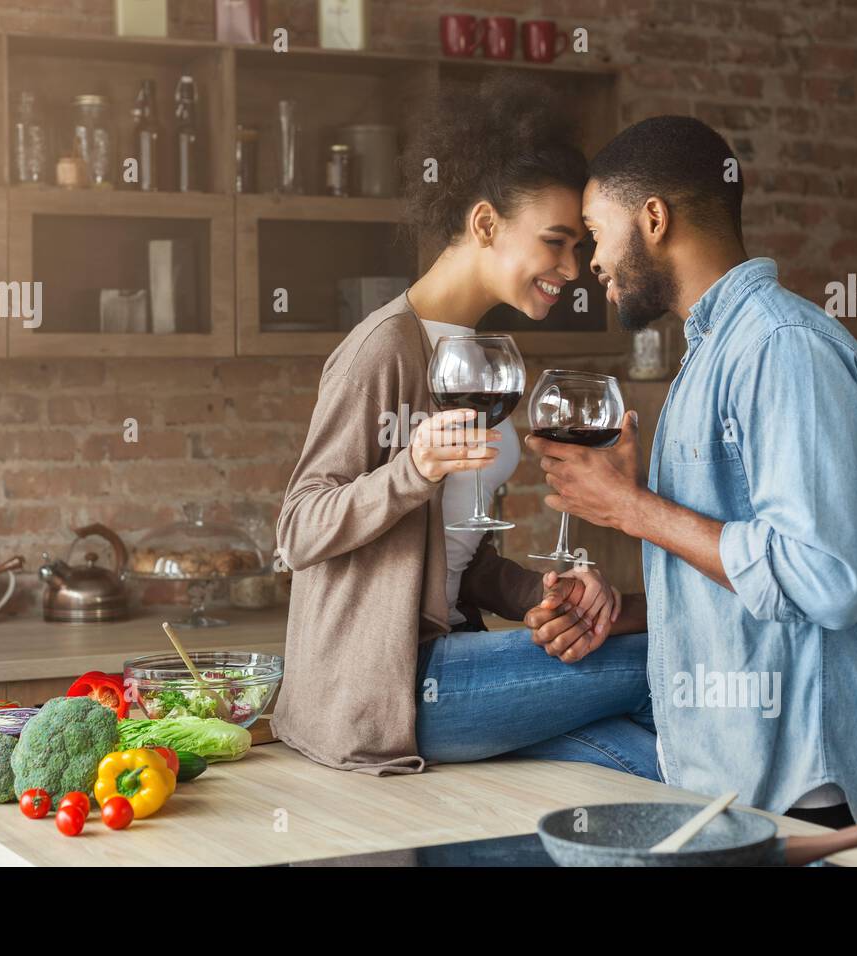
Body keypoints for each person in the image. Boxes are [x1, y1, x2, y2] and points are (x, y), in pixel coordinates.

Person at [525, 115, 857, 828]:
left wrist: (630, 509)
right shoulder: (712, 352)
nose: (592, 263)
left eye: (598, 232)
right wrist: (631, 611)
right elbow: (748, 576)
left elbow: (824, 579)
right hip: (724, 770)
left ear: (655, 218)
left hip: (796, 792)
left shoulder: (782, 348)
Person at [272, 76, 660, 780]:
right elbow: (297, 530)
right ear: (485, 225)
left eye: (581, 246)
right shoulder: (384, 349)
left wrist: (545, 593)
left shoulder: (477, 359)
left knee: (650, 767)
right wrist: (411, 471)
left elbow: (460, 568)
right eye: (556, 242)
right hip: (392, 687)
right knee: (666, 660)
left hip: (456, 667)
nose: (573, 269)